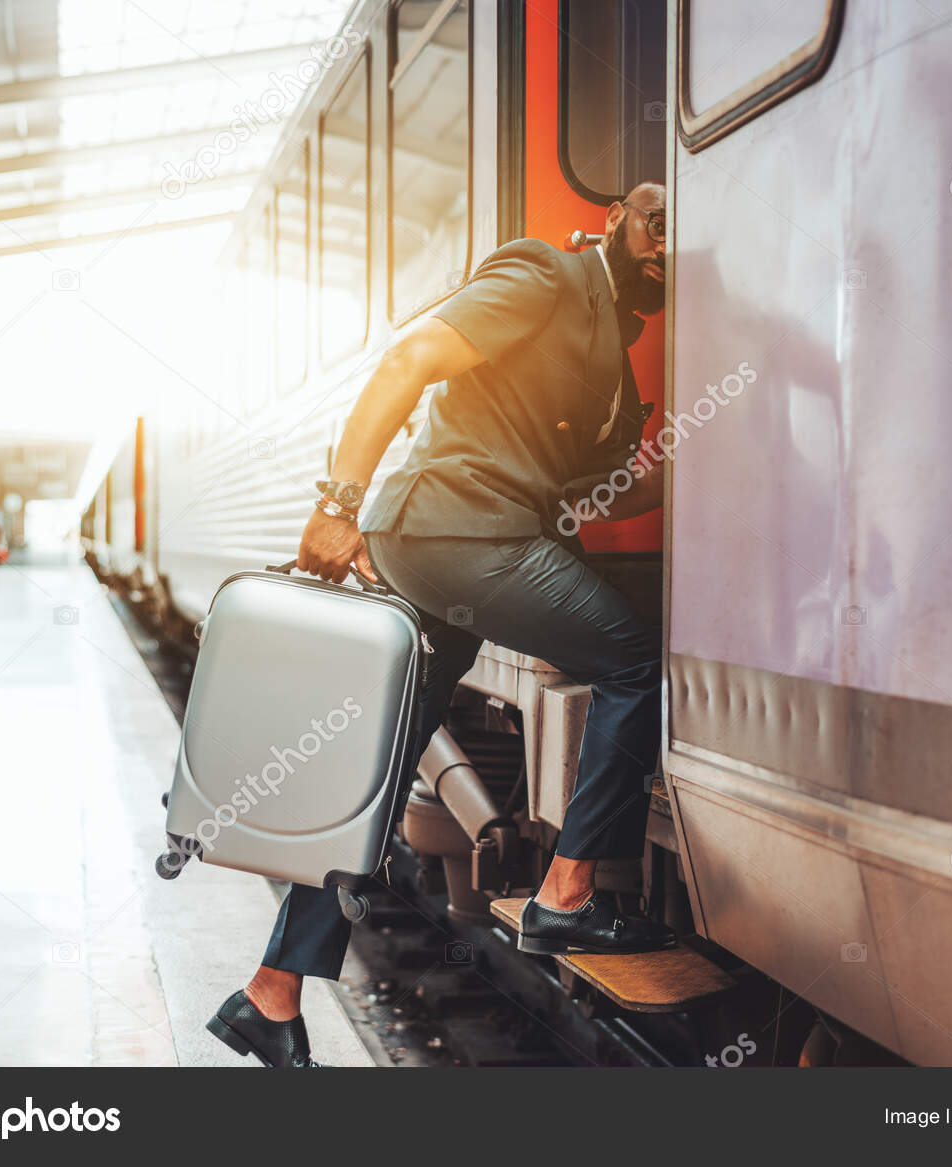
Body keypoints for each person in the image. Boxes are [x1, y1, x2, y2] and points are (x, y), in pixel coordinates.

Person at [208, 182, 672, 1068]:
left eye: (679, 240)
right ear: (616, 218)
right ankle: (566, 896)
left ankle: (270, 994)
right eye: (656, 222)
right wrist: (337, 502)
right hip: (459, 533)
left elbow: (615, 486)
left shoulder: (616, 351)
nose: (664, 246)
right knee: (632, 661)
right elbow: (409, 358)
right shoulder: (545, 276)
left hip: (454, 545)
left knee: (383, 762)